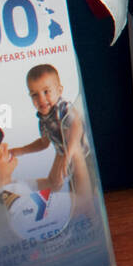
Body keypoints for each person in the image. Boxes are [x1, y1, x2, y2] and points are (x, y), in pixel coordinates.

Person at [11, 64, 92, 201]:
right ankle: (25, 195)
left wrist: (69, 153)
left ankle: (86, 207)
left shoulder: (63, 107)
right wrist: (21, 150)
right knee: (54, 182)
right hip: (62, 152)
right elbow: (43, 143)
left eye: (46, 92)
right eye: (34, 95)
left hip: (81, 153)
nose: (41, 99)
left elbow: (76, 126)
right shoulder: (43, 119)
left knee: (83, 191)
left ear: (59, 90)